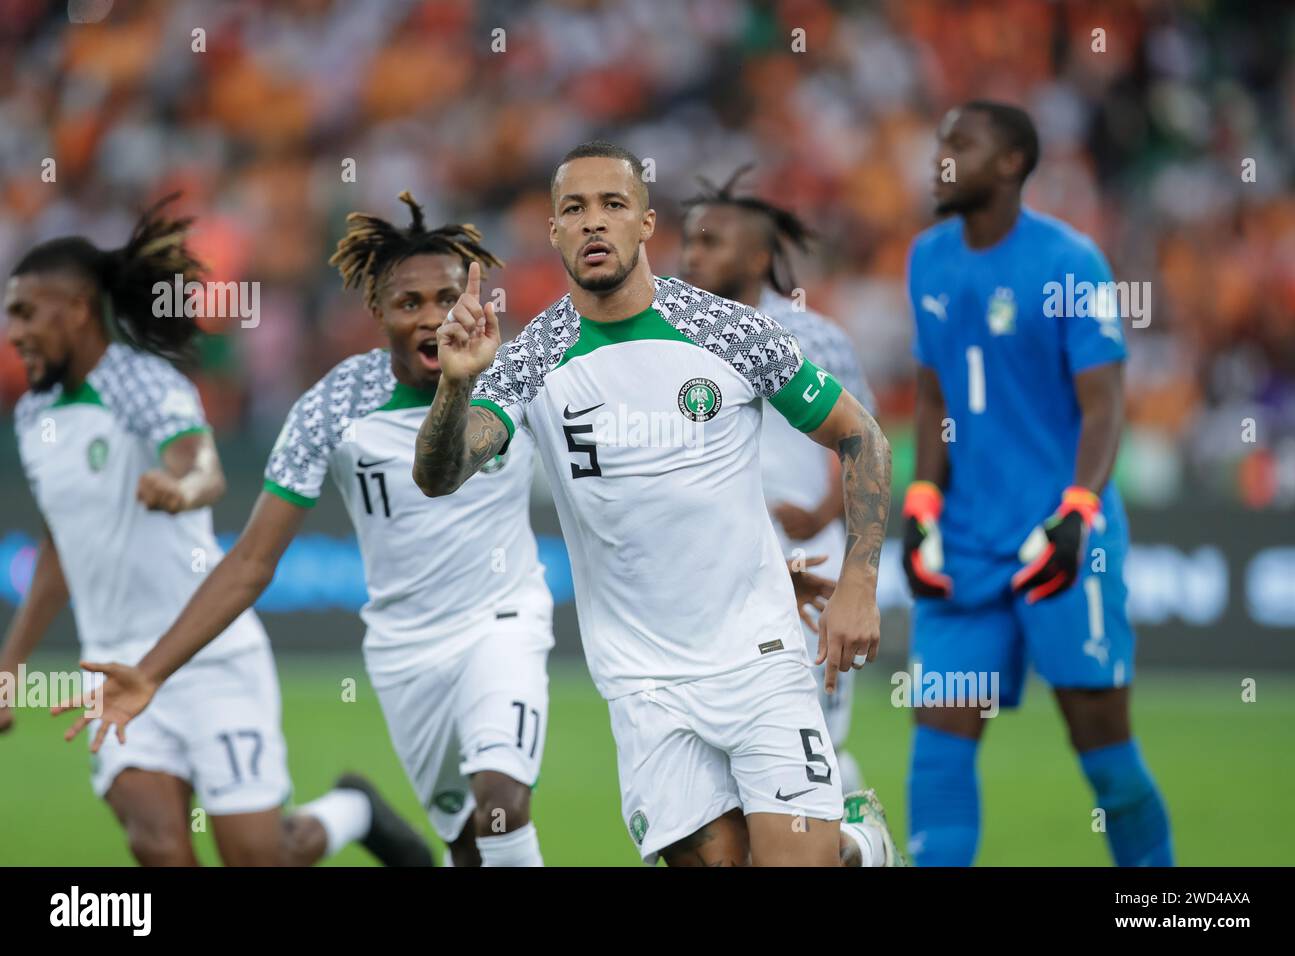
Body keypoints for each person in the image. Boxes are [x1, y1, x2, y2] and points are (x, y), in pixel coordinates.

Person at [413, 142, 903, 867]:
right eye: (573, 209)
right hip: (643, 685)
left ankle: (855, 844)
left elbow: (862, 436)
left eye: (612, 205)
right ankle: (853, 848)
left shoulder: (726, 331)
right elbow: (440, 475)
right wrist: (455, 384)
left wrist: (859, 581)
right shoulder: (528, 360)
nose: (593, 223)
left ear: (645, 224)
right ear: (553, 231)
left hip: (760, 657)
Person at [54, 194, 554, 867]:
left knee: (502, 804)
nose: (433, 317)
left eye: (448, 298)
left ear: (475, 300)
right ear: (377, 312)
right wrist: (149, 673)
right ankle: (373, 819)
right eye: (410, 304)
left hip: (505, 619)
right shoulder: (333, 405)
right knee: (466, 841)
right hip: (405, 652)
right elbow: (251, 563)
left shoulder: (517, 377)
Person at [7, 196, 429, 866]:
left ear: (76, 310)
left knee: (258, 857)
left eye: (26, 312)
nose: (15, 330)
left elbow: (200, 461)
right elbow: (62, 543)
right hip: (115, 663)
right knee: (160, 849)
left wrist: (184, 486)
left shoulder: (143, 384)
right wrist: (10, 665)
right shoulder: (35, 418)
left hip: (211, 658)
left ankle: (351, 810)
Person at [902, 101, 1173, 866]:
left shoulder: (1069, 262)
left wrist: (1078, 512)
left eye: (961, 143)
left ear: (1012, 162)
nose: (941, 157)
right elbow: (933, 395)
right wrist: (921, 504)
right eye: (940, 140)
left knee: (1107, 760)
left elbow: (1105, 404)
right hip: (963, 547)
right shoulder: (927, 256)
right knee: (938, 758)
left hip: (1057, 543)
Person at [680, 166, 876, 796]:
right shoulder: (672, 335)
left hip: (803, 567)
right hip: (709, 573)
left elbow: (864, 442)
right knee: (720, 759)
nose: (692, 254)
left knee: (811, 749)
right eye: (691, 240)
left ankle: (857, 839)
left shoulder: (815, 337)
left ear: (760, 255)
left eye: (712, 241)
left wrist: (823, 510)